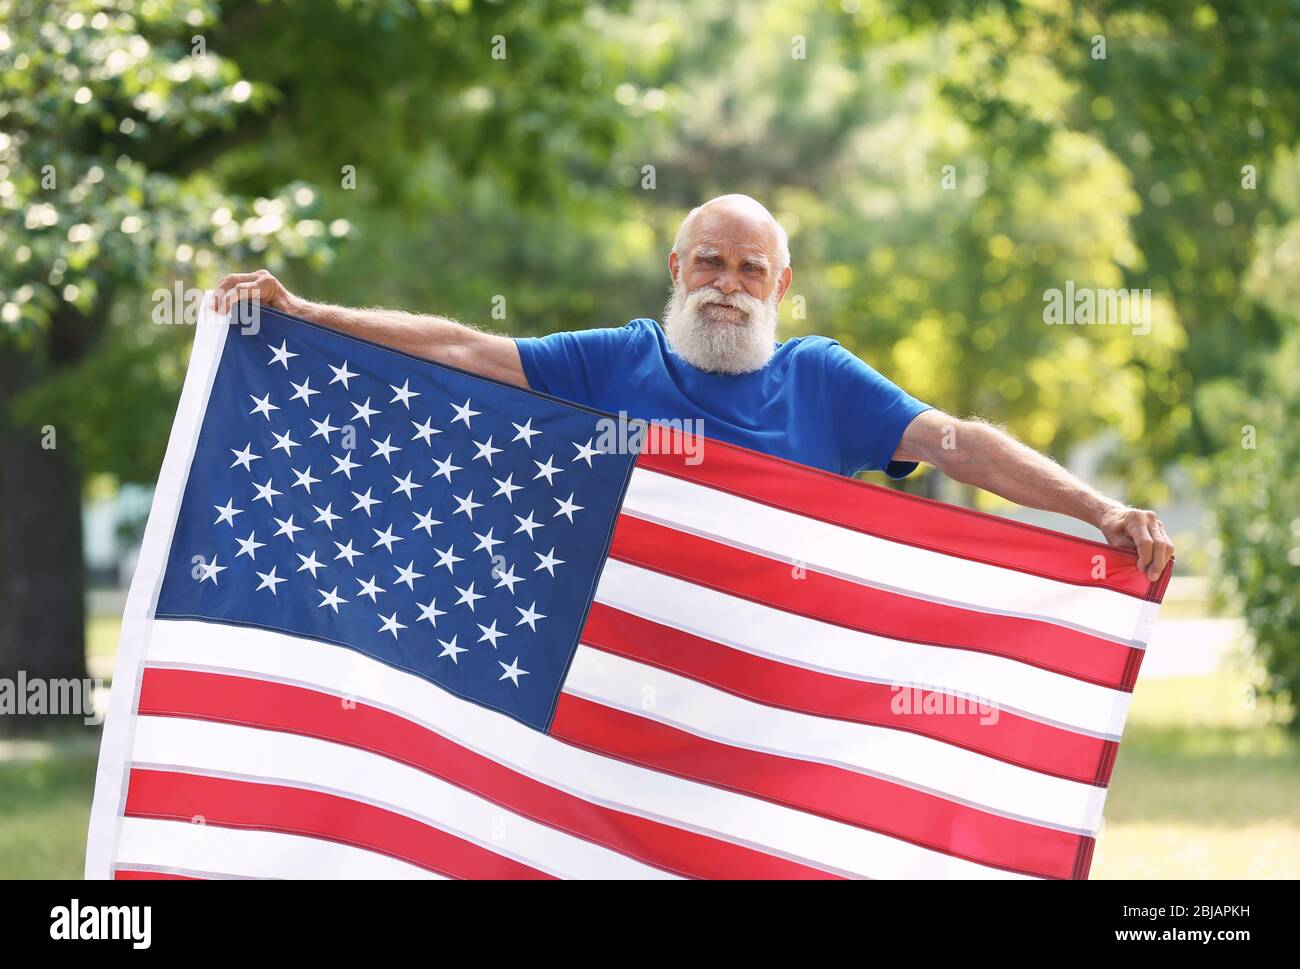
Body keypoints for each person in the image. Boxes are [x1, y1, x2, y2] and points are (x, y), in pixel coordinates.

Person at [213, 193, 1174, 580]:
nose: (727, 282)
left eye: (751, 269)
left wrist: (1099, 510)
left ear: (780, 286)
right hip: (621, 689)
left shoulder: (821, 379)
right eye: (709, 262)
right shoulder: (615, 359)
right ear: (676, 268)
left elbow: (961, 443)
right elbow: (465, 350)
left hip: (772, 701)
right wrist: (307, 314)